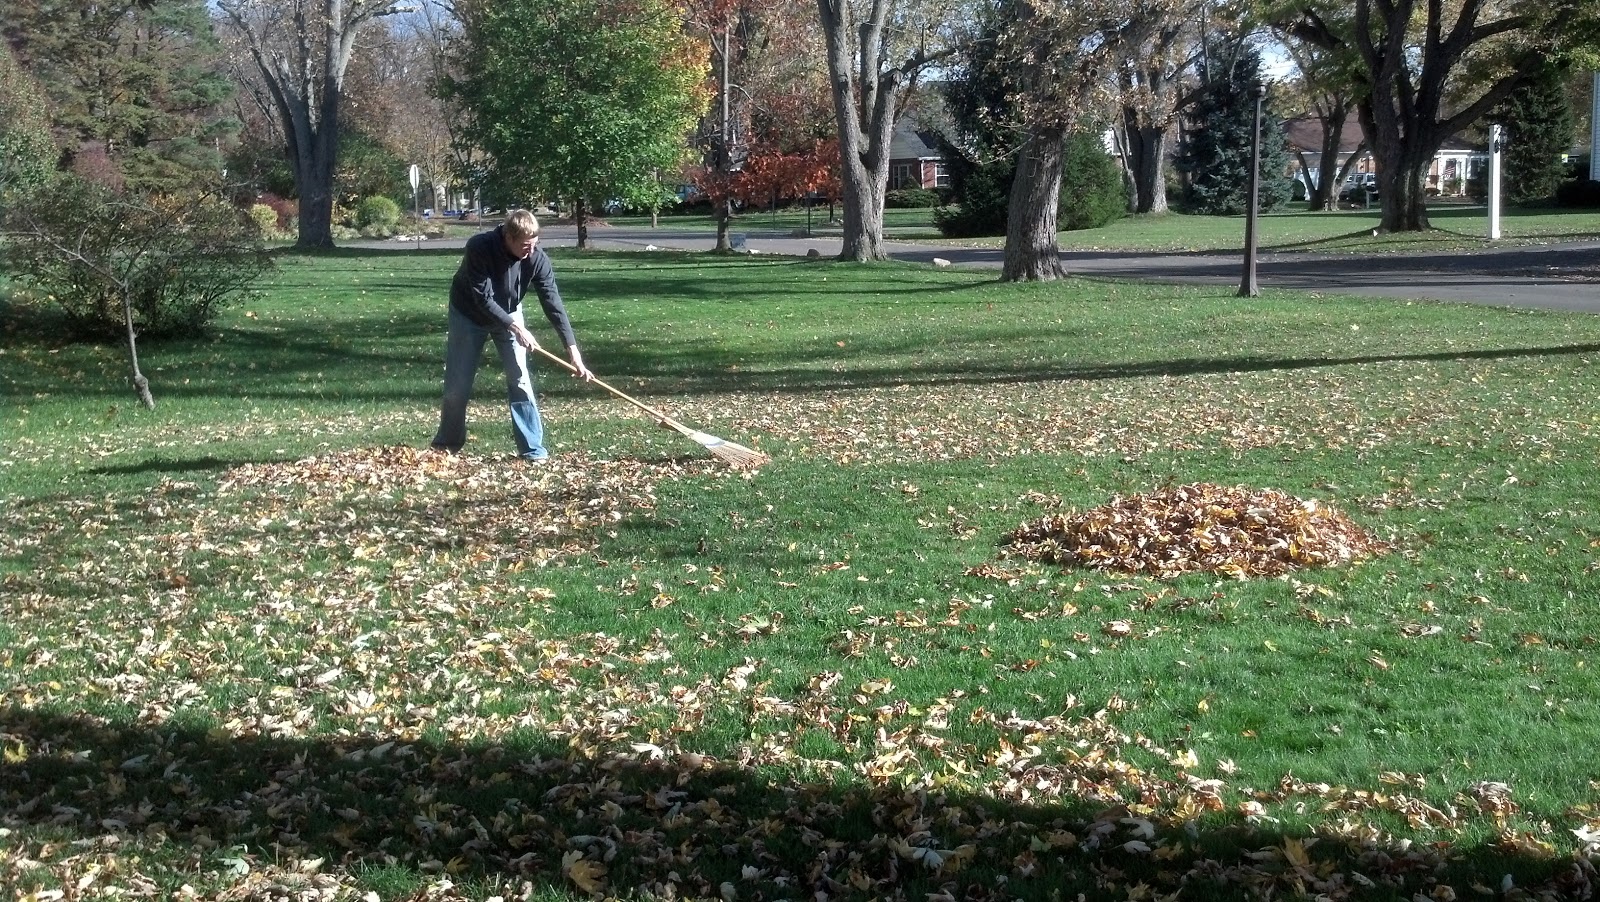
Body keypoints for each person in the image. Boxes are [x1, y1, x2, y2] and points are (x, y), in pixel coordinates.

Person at [431, 210, 593, 460]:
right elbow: (483, 299)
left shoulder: (537, 258)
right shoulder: (480, 247)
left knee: (520, 380)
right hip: (469, 314)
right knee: (458, 385)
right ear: (508, 237)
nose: (531, 252)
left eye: (535, 245)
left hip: (509, 312)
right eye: (525, 246)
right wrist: (516, 328)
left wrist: (572, 349)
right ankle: (446, 444)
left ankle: (532, 450)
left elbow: (553, 302)